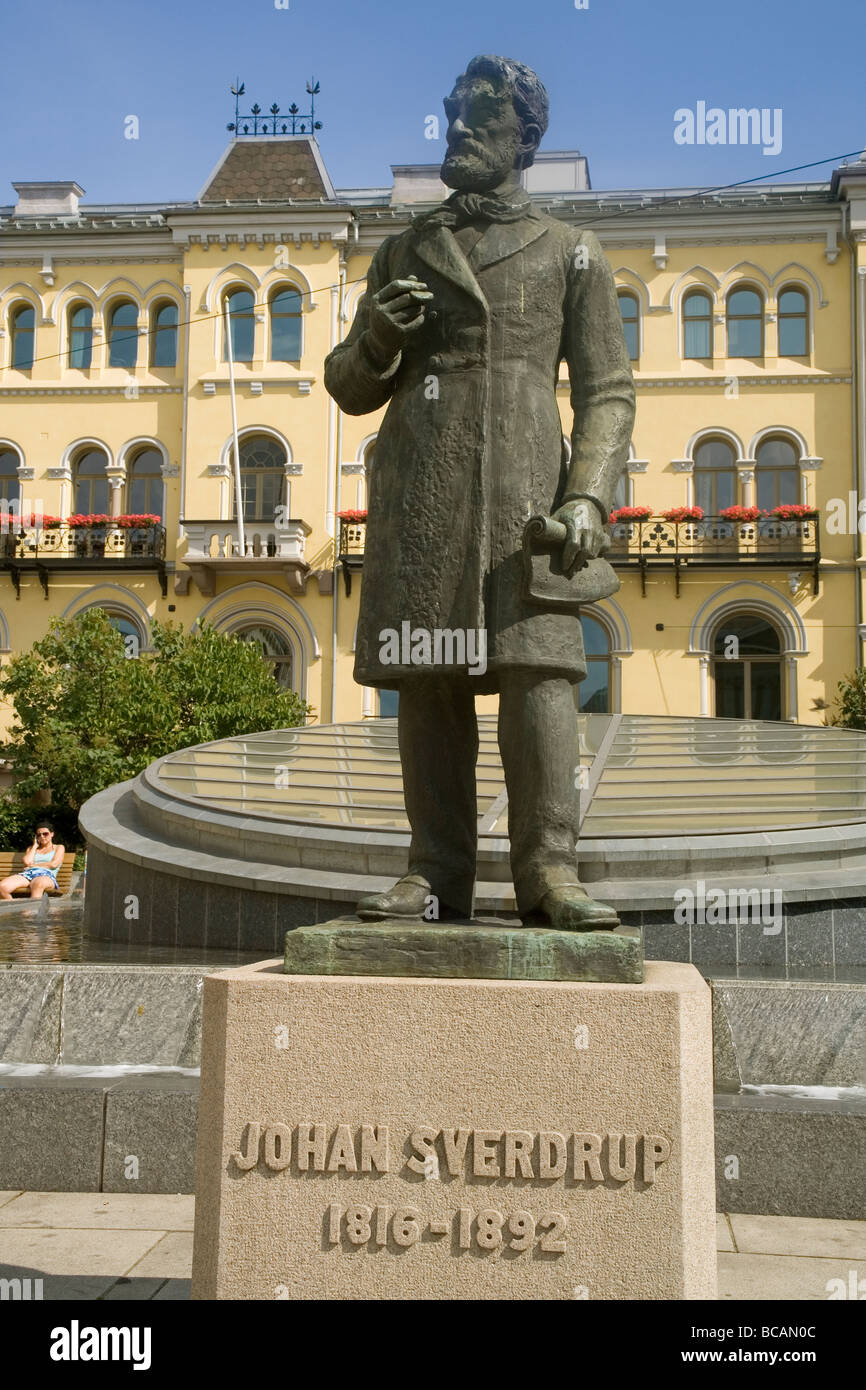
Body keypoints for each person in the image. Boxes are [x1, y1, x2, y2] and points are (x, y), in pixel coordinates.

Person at [324, 55, 635, 930]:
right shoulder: (403, 247)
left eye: (482, 117)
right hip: (425, 484)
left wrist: (588, 498)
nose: (459, 128)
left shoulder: (572, 249)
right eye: (453, 112)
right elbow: (348, 385)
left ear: (524, 138)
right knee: (428, 679)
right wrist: (379, 338)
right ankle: (433, 875)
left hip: (527, 488)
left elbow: (608, 389)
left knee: (541, 672)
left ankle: (549, 873)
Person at [0, 821, 65, 900]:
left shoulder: (59, 847)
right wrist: (34, 846)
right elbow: (27, 862)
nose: (42, 836)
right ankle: (13, 910)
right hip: (28, 874)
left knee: (38, 883)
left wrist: (35, 865)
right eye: (39, 835)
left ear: (52, 834)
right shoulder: (31, 849)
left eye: (45, 834)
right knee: (2, 887)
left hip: (46, 875)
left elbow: (54, 864)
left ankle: (31, 912)